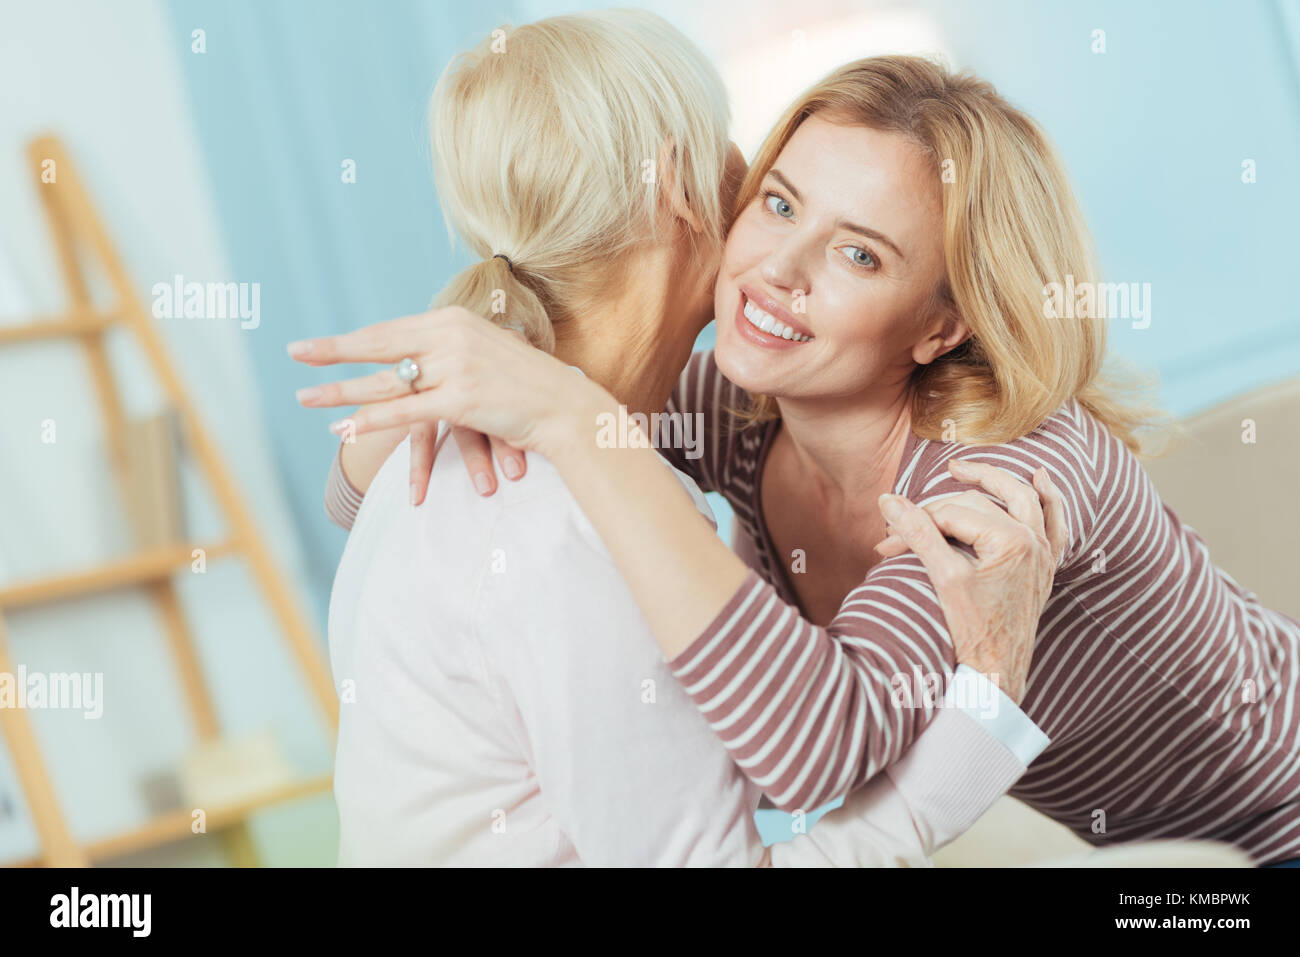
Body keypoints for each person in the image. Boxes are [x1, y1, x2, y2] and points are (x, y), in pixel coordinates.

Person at [299, 54, 1300, 865]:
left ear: (938, 324)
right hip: (1105, 828)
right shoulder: (737, 410)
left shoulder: (996, 478)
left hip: (1270, 827)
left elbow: (819, 752)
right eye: (777, 204)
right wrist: (476, 353)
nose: (777, 270)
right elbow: (362, 499)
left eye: (858, 254)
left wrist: (561, 409)